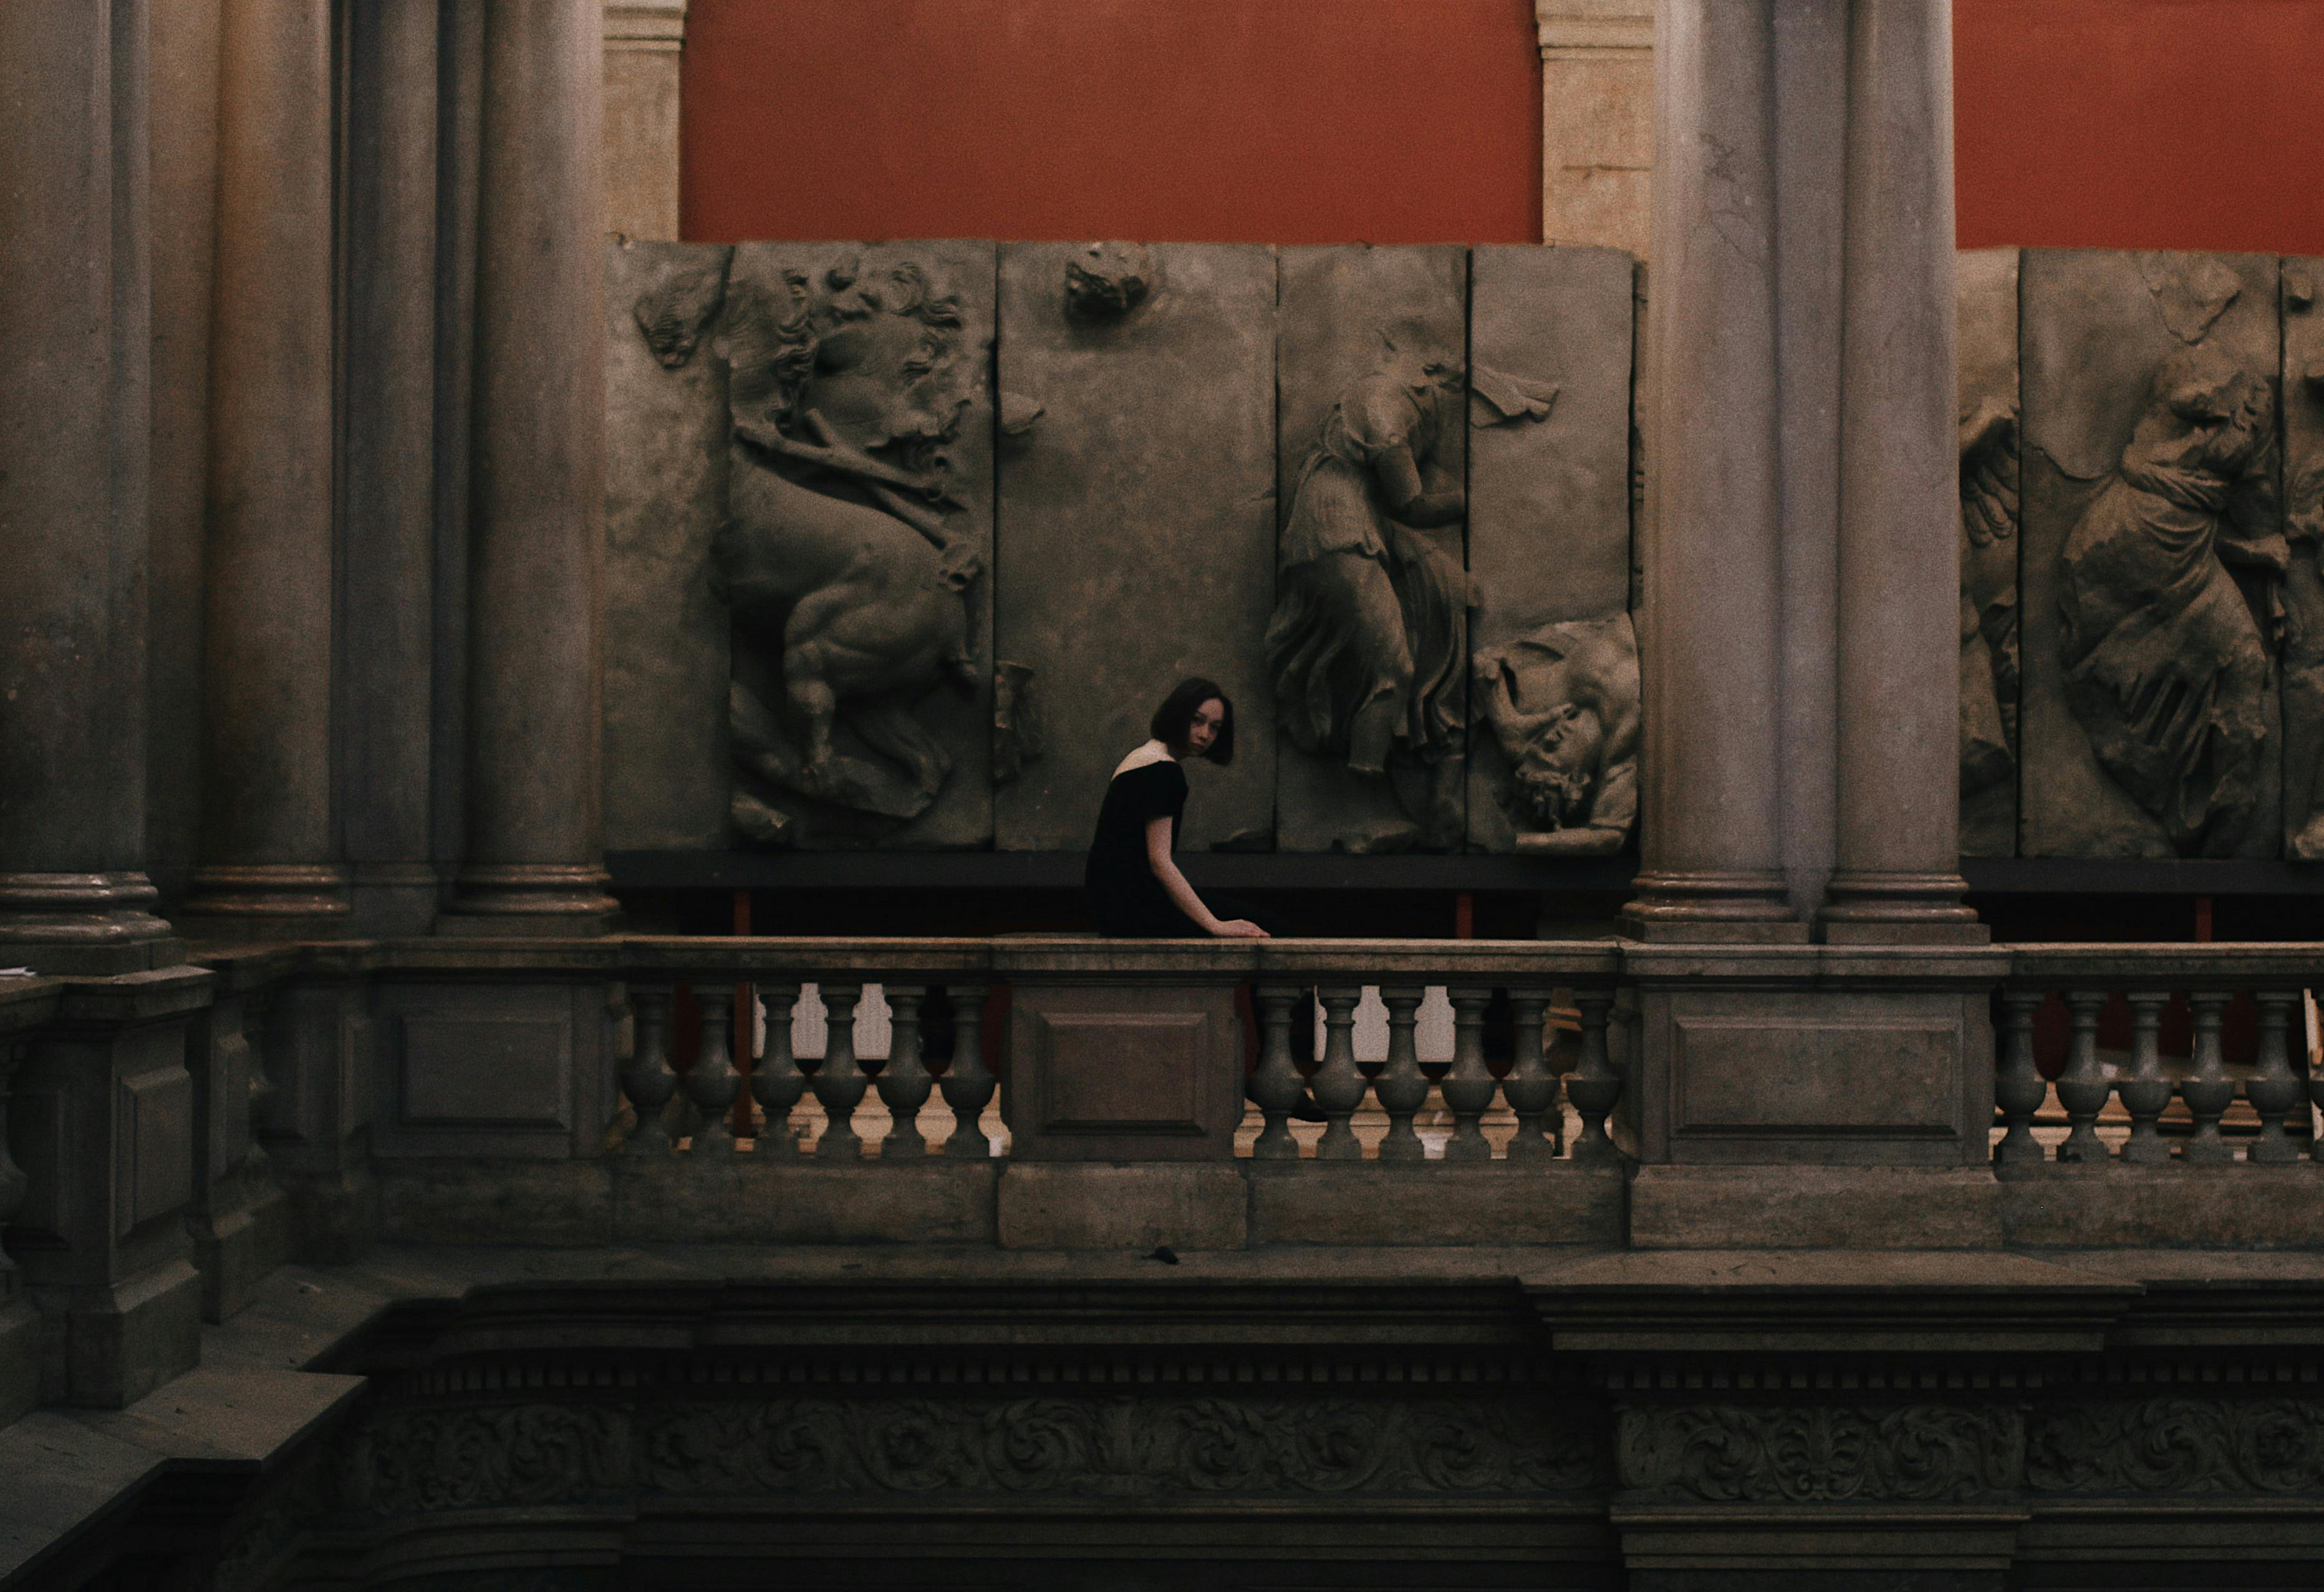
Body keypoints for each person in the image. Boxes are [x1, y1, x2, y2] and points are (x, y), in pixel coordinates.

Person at [1085, 678, 1278, 938]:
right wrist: (1216, 925)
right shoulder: (1164, 770)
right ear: (1178, 715)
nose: (1204, 735)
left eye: (1215, 727)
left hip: (1111, 907)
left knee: (1253, 921)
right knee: (1274, 928)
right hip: (1135, 910)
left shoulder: (1139, 758)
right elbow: (1160, 862)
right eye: (1197, 721)